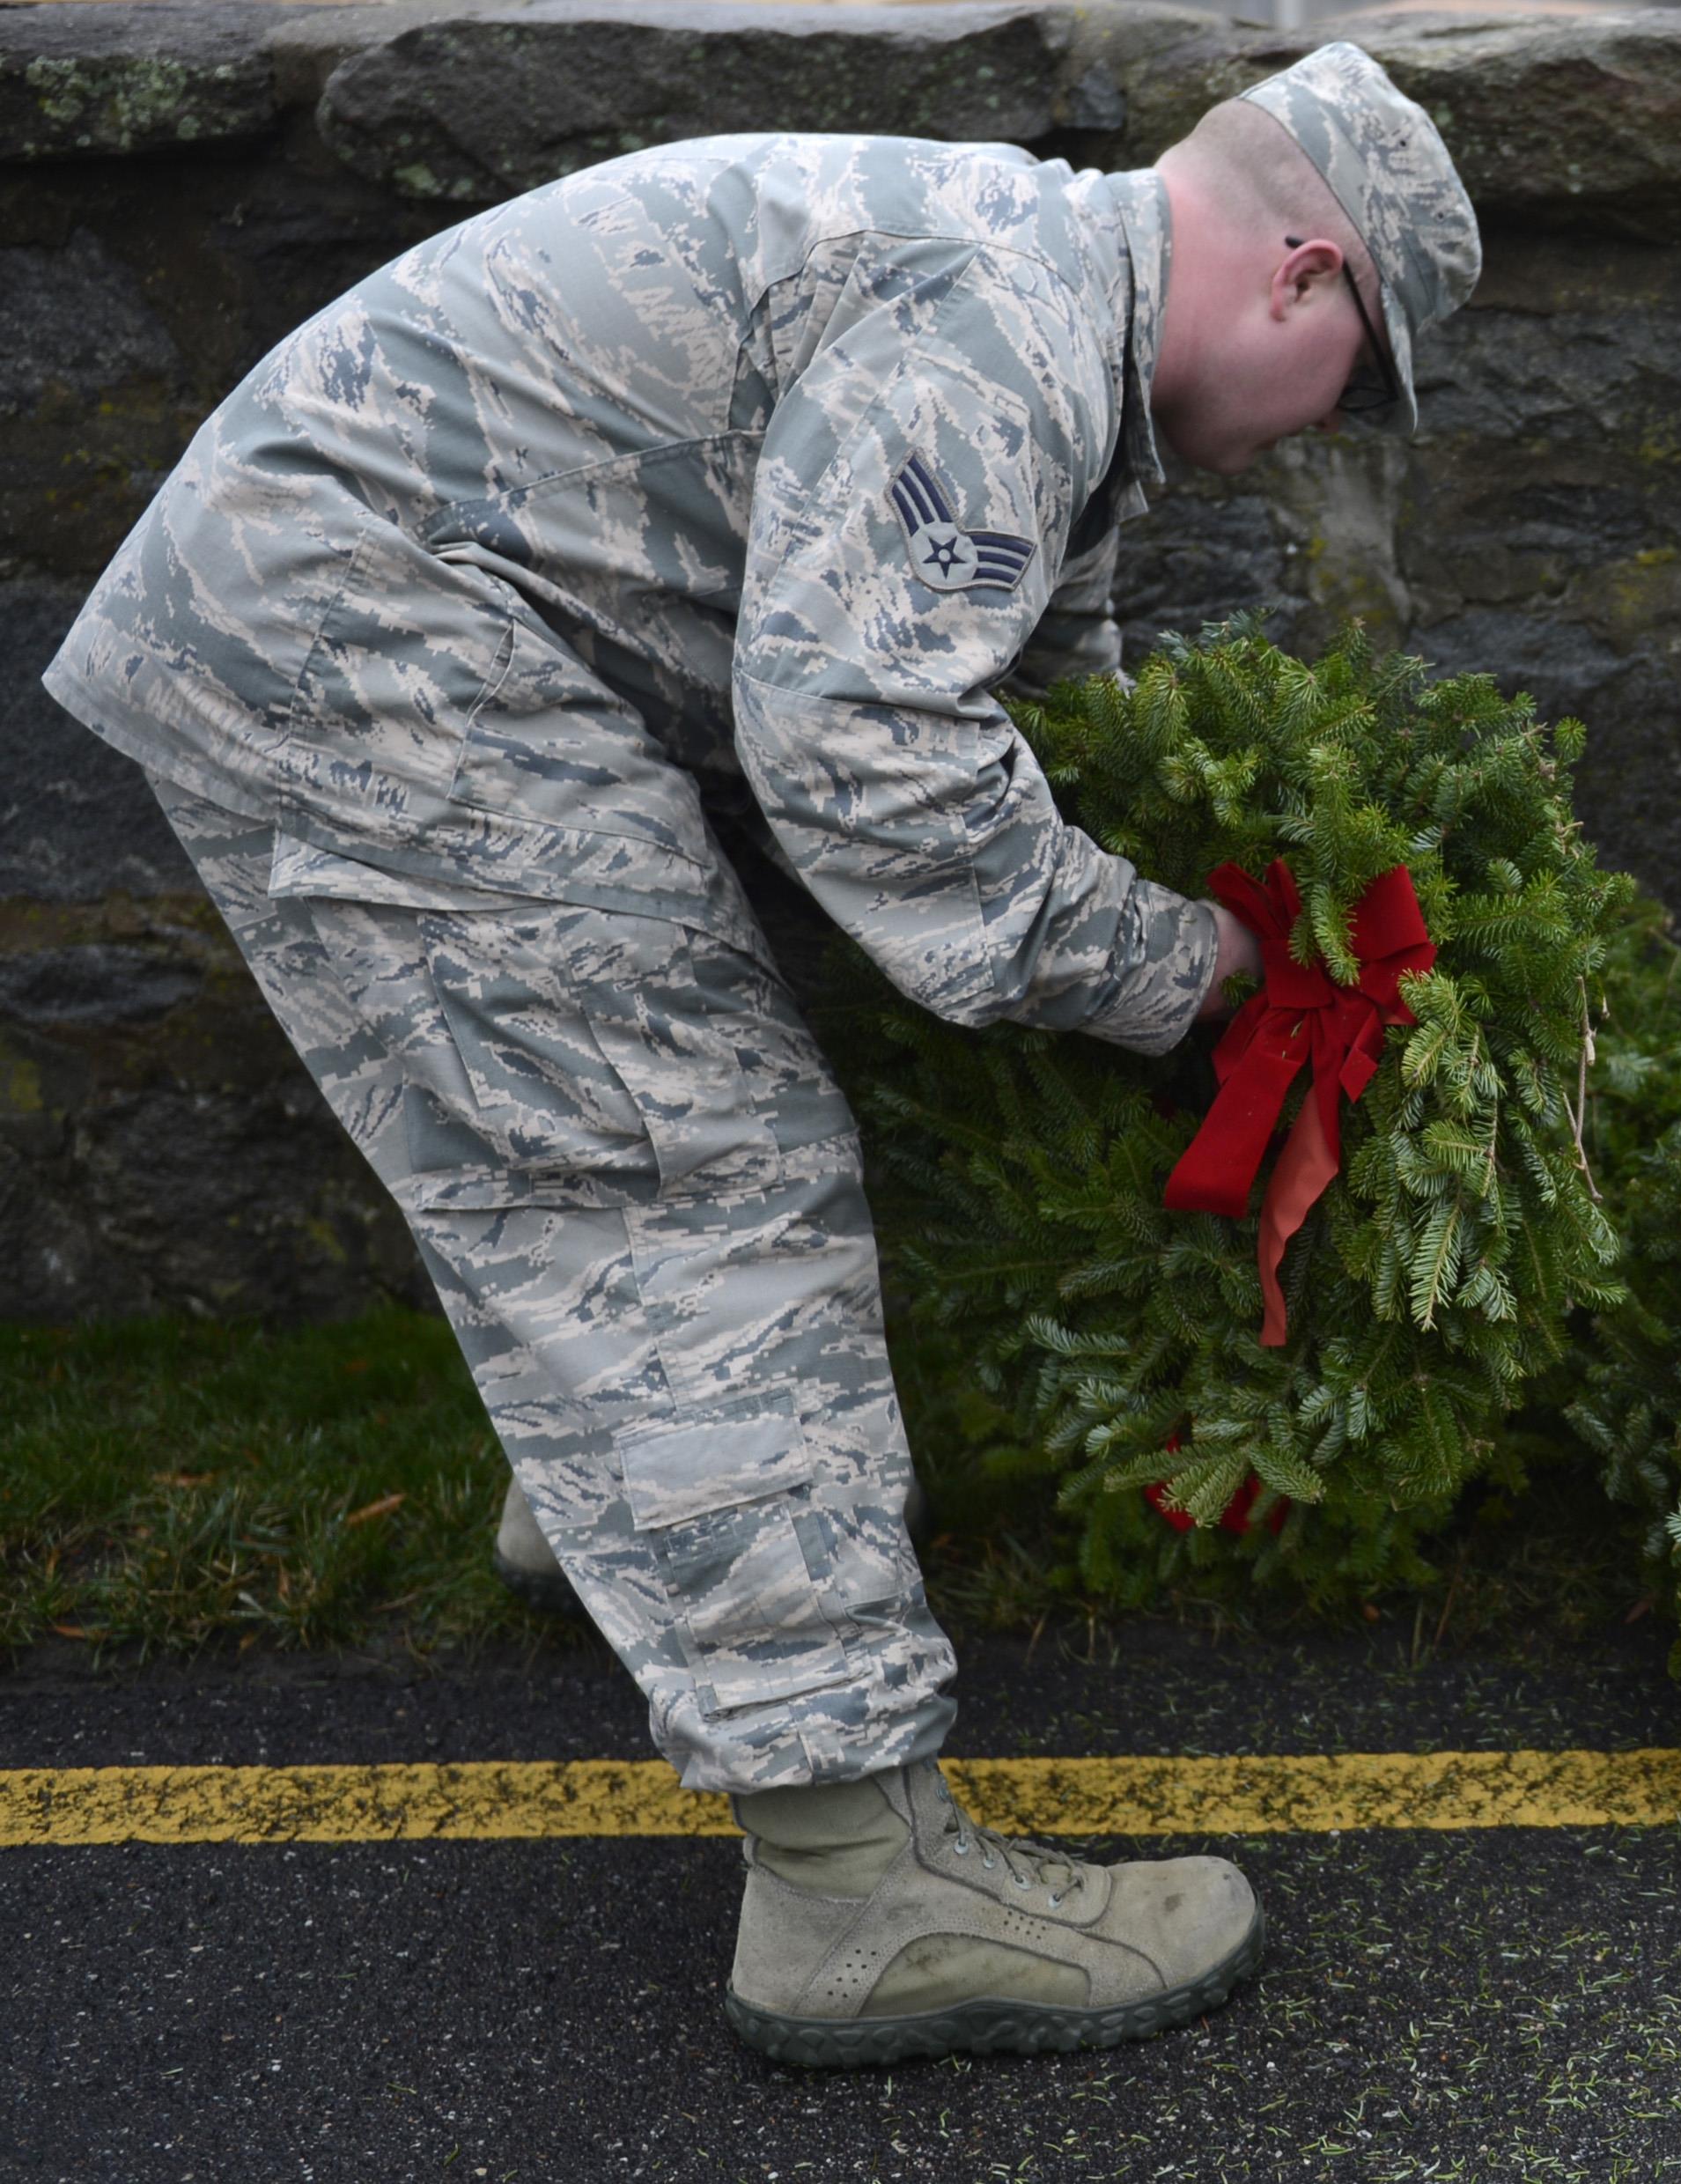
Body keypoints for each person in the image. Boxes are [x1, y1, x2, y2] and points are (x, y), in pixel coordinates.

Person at [37, 43, 1480, 2069]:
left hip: (383, 608)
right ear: (1304, 275)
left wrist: (1163, 877)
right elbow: (878, 767)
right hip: (367, 634)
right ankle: (857, 1885)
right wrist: (1196, 976)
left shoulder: (1044, 308)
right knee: (687, 1168)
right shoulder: (1009, 332)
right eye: (1361, 387)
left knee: (634, 1128)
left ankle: (628, 1510)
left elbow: (1024, 689)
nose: (1331, 440)